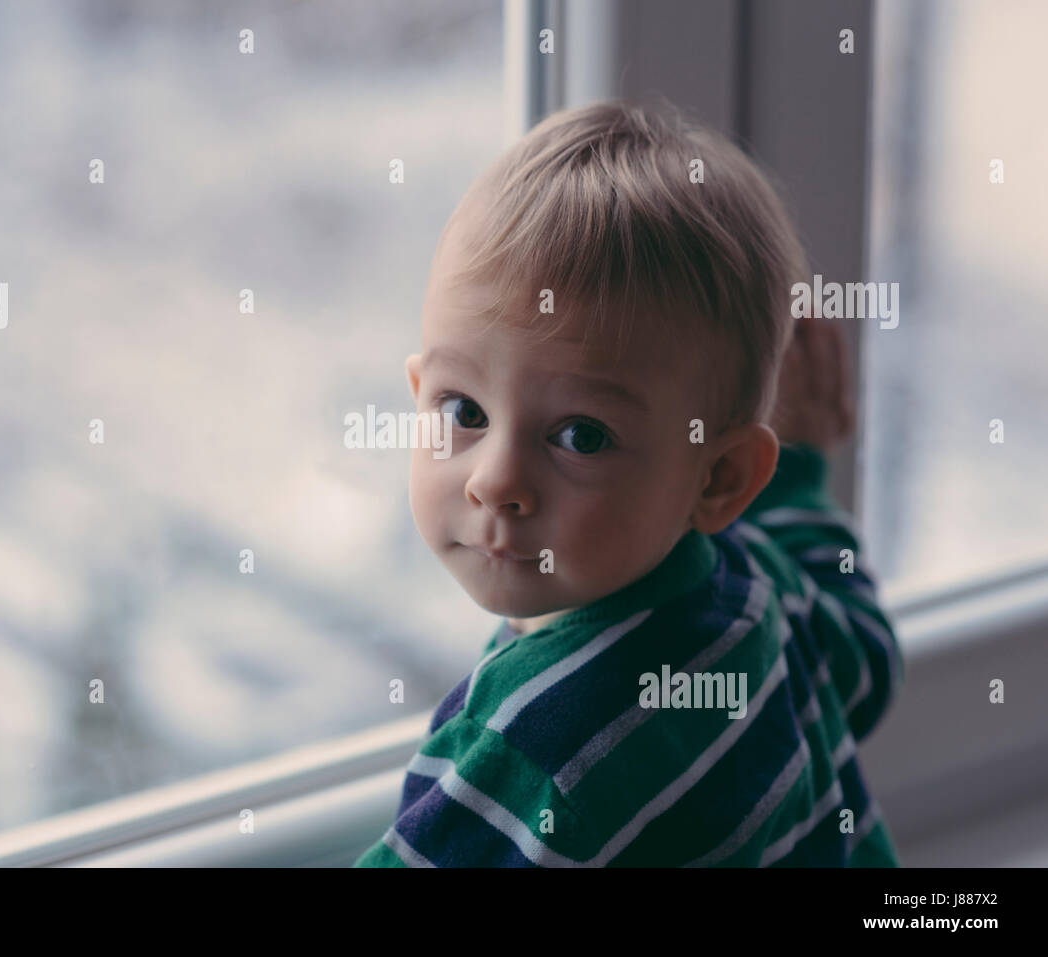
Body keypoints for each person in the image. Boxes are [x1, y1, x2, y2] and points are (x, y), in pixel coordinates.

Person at [353, 98, 903, 867]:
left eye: (581, 435)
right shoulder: (755, 587)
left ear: (721, 478)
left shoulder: (540, 753)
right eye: (463, 410)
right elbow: (863, 663)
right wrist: (800, 468)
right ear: (419, 391)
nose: (496, 480)